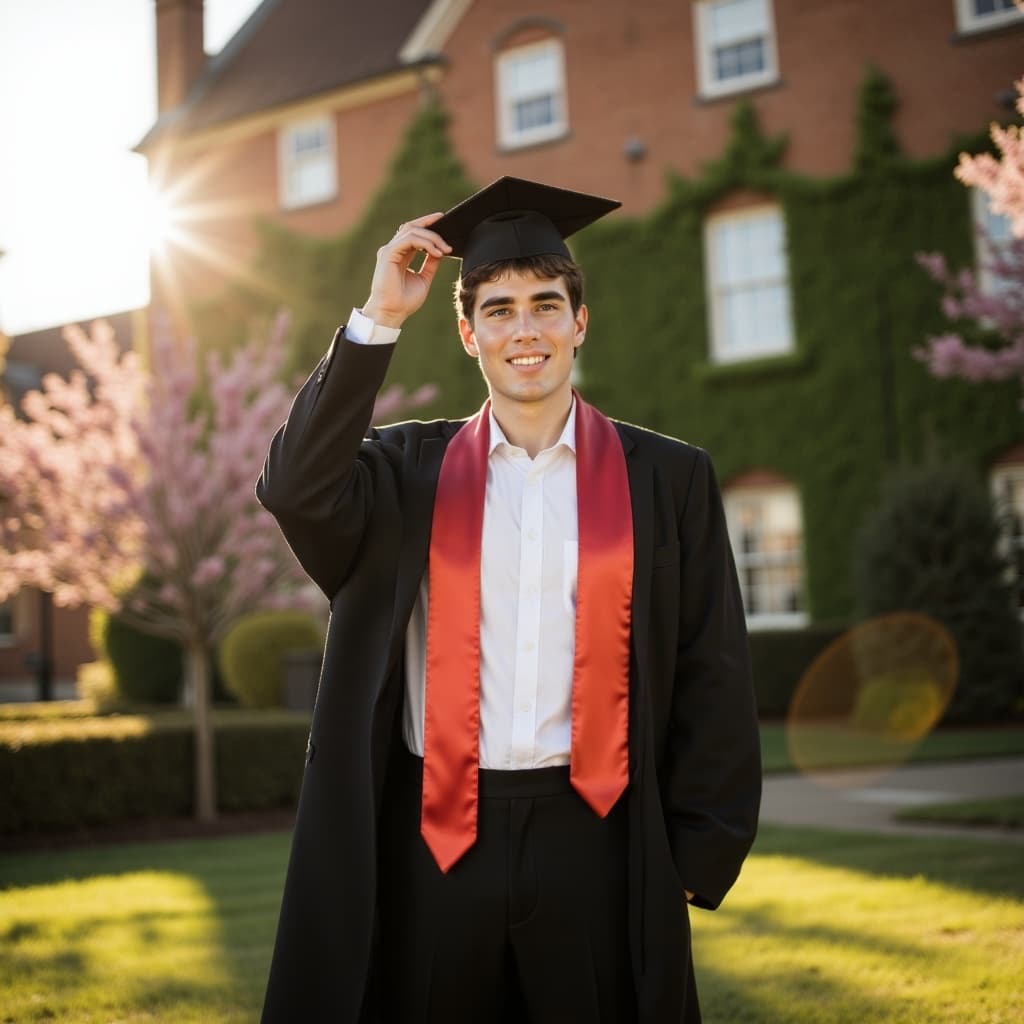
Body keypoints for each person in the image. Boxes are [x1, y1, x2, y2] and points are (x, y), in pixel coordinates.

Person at [257, 176, 761, 1024]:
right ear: (467, 332)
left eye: (544, 305)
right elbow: (294, 487)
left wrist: (695, 853)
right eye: (498, 310)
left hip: (595, 838)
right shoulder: (402, 475)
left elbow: (713, 666)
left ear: (578, 321)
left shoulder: (667, 479)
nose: (524, 330)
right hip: (434, 842)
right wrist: (379, 315)